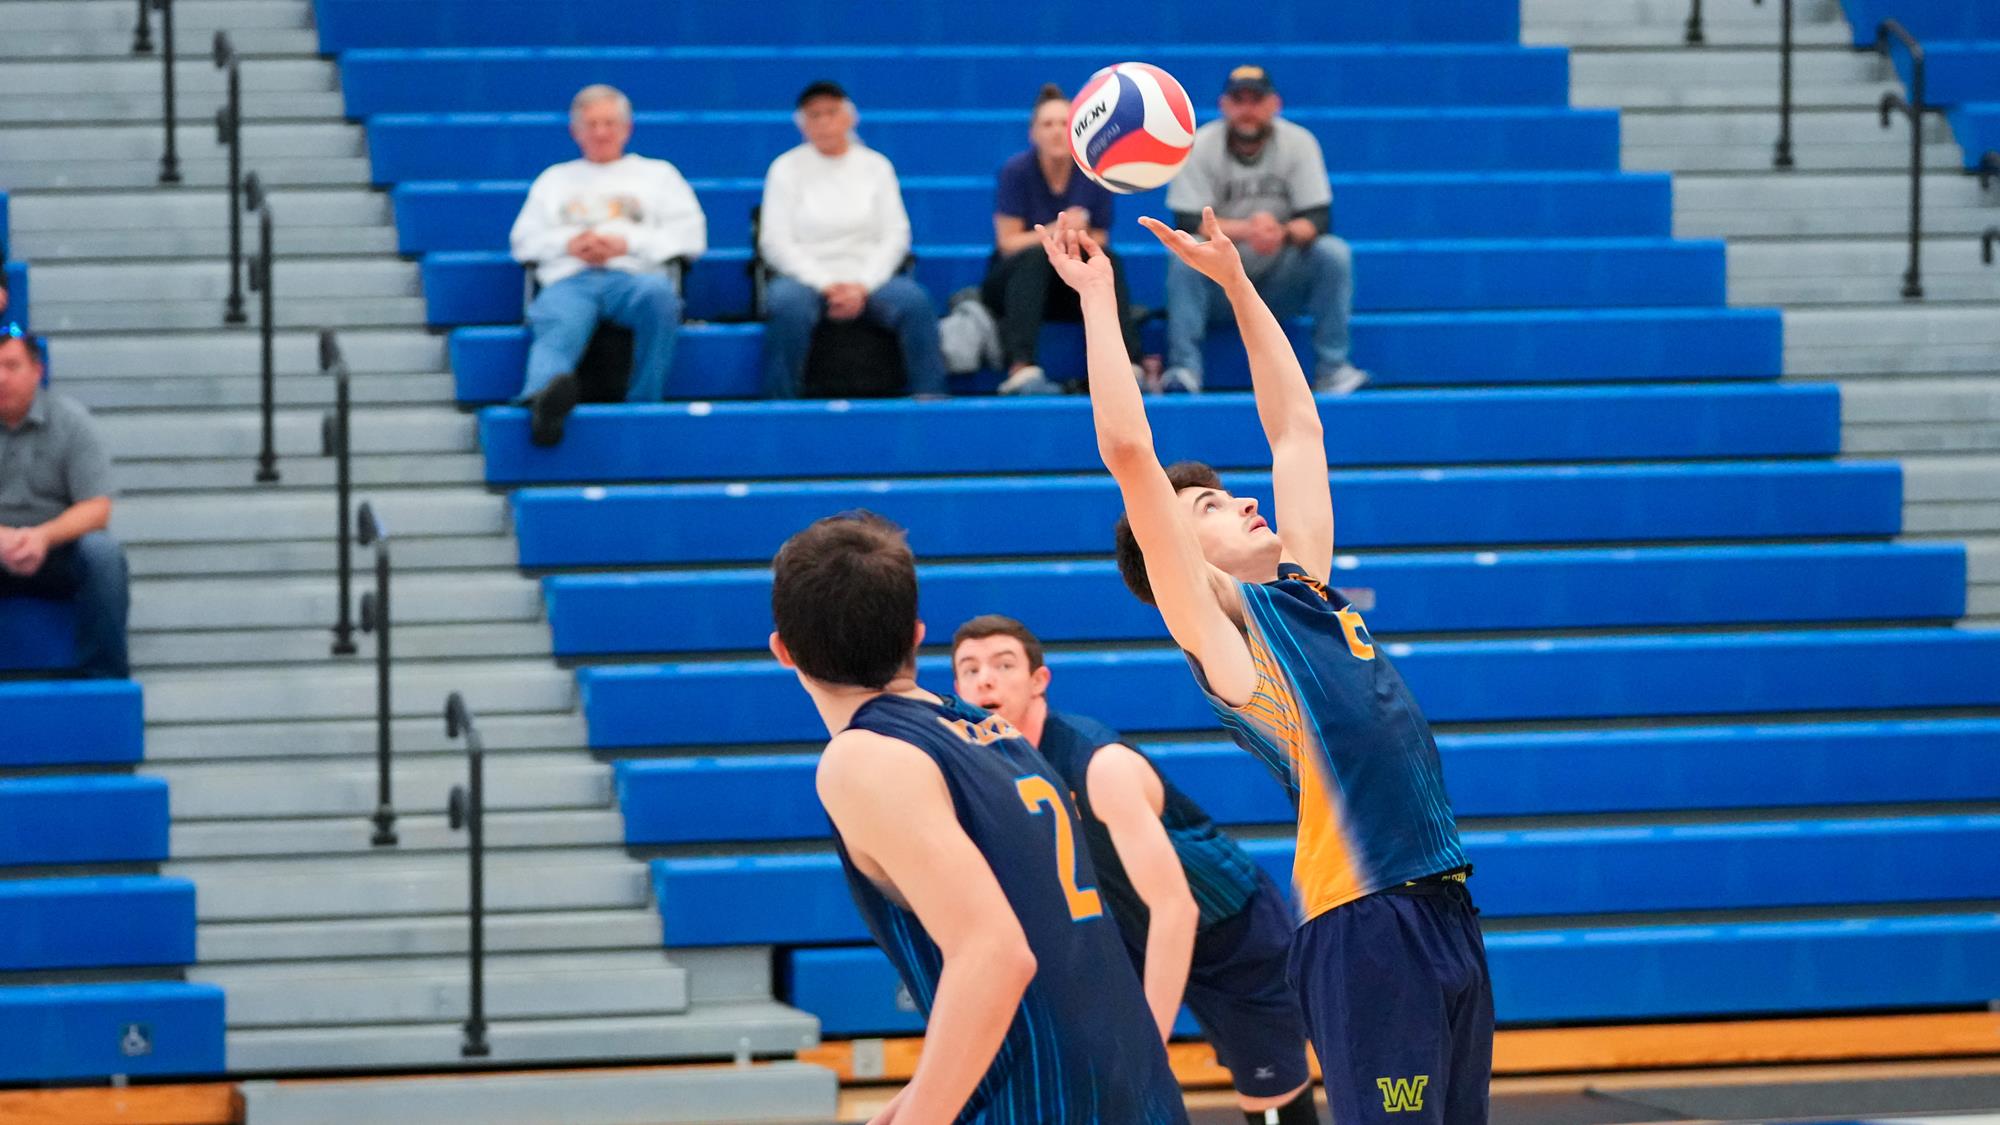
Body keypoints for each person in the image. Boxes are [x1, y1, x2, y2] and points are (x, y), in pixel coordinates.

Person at [1041, 215, 1492, 1124]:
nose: (1245, 497)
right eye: (1209, 504)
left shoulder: (1308, 594)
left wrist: (1237, 285)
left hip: (1445, 909)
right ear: (1181, 553)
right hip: (1367, 930)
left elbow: (1296, 430)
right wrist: (1098, 301)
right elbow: (1131, 456)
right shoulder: (1228, 643)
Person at [769, 512, 1187, 1124]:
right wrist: (918, 1096)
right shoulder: (995, 730)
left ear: (783, 650)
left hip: (1043, 1101)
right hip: (1133, 1083)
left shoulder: (862, 757)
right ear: (915, 634)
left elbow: (995, 955)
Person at [953, 615, 1319, 1125]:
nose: (984, 679)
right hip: (1126, 936)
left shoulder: (1100, 766)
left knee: (1273, 1103)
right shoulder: (989, 773)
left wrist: (1148, 1046)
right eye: (969, 670)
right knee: (1092, 1084)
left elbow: (1175, 908)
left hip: (1229, 933)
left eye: (1003, 664)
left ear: (1039, 682)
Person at [509, 84, 706, 446]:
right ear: (576, 132)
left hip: (634, 275)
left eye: (609, 123)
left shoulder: (659, 175)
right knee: (558, 321)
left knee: (659, 298)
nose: (601, 132)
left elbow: (691, 238)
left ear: (626, 128)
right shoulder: (554, 180)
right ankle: (542, 401)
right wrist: (568, 243)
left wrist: (627, 243)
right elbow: (523, 242)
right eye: (592, 124)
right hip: (571, 276)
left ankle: (644, 402)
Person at [1162, 66, 1365, 396]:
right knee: (1185, 255)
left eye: (1256, 100)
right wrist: (1247, 230)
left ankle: (1333, 369)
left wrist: (1279, 233)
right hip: (1220, 283)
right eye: (1238, 100)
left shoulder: (1299, 142)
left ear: (1274, 104)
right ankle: (1185, 369)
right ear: (1224, 105)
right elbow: (1185, 221)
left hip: (1278, 279)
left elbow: (1318, 218)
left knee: (1333, 253)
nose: (1247, 109)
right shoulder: (1200, 144)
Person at [759, 81, 947, 400]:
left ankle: (931, 398)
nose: (823, 122)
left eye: (831, 113)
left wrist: (862, 284)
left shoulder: (876, 167)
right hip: (806, 278)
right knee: (785, 305)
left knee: (915, 303)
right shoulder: (785, 169)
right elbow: (775, 242)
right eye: (814, 115)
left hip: (869, 276)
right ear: (802, 125)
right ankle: (781, 403)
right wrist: (826, 283)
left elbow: (895, 235)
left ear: (849, 118)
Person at [982, 84, 1144, 396]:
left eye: (1065, 124)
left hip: (1067, 282)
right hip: (1015, 283)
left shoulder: (1095, 172)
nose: (1057, 132)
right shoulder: (1015, 172)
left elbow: (1099, 238)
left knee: (1108, 261)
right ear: (1033, 133)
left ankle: (1127, 363)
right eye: (1048, 124)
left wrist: (1074, 236)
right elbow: (1008, 243)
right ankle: (1021, 366)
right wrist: (1056, 231)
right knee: (1035, 257)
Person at [0, 326, 129, 680]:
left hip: (56, 553)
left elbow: (97, 508)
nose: (1, 378)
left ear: (37, 372)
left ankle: (103, 681)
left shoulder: (71, 421)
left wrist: (41, 537)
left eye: (12, 366)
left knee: (102, 555)